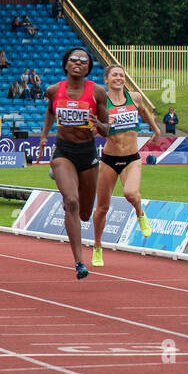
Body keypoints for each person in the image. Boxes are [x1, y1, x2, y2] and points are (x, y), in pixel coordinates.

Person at [36, 47, 111, 279]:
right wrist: (43, 136)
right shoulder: (53, 90)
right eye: (73, 59)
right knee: (71, 201)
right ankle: (79, 262)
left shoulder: (98, 93)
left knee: (85, 213)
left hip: (87, 154)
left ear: (88, 67)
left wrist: (97, 124)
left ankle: (70, 197)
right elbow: (50, 112)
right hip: (63, 152)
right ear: (66, 64)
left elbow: (108, 130)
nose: (78, 63)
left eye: (83, 61)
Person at [91, 65, 162, 267]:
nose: (119, 78)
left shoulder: (135, 98)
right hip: (109, 160)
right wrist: (104, 124)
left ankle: (140, 213)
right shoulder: (101, 103)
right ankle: (97, 247)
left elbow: (145, 113)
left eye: (121, 75)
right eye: (115, 75)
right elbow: (93, 131)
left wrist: (156, 130)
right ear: (106, 79)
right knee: (102, 208)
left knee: (131, 193)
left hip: (132, 158)